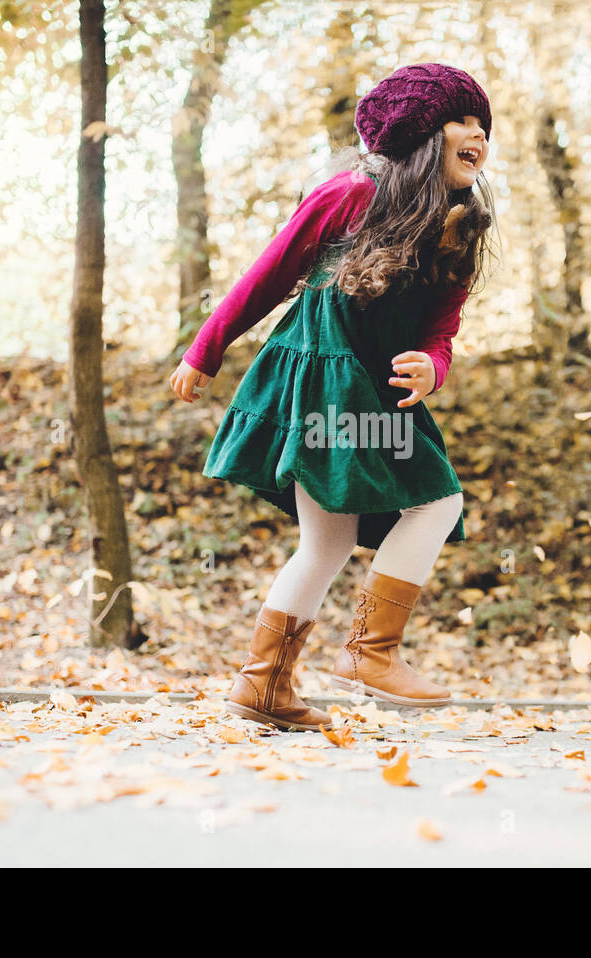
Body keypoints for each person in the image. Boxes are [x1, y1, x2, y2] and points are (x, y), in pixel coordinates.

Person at [169, 62, 498, 731]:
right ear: (422, 134)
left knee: (329, 541)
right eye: (461, 120)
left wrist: (432, 366)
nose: (478, 135)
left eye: (483, 125)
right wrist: (206, 347)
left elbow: (443, 326)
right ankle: (370, 653)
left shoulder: (462, 218)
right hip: (321, 377)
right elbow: (268, 274)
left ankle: (264, 686)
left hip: (374, 389)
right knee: (433, 502)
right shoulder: (351, 194)